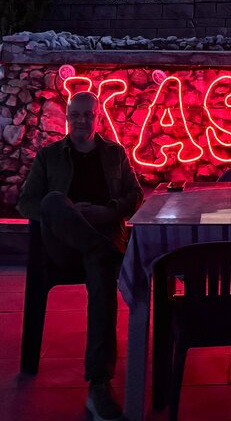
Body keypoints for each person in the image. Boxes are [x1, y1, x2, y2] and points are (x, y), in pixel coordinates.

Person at [18, 91, 143, 421]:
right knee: (53, 200)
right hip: (62, 246)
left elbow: (135, 194)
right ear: (68, 118)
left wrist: (107, 212)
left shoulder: (115, 154)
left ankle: (99, 386)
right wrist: (71, 213)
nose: (81, 120)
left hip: (100, 242)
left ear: (98, 117)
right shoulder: (49, 157)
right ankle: (105, 253)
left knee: (100, 274)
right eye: (76, 115)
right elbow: (28, 202)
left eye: (88, 114)